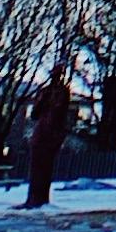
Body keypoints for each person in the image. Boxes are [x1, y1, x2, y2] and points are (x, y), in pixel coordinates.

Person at [24, 65, 78, 210]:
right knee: (36, 167)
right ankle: (34, 198)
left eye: (57, 74)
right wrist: (42, 99)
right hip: (41, 132)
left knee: (45, 168)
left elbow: (59, 110)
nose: (54, 77)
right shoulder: (44, 91)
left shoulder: (62, 92)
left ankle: (41, 199)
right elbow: (35, 114)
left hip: (52, 133)